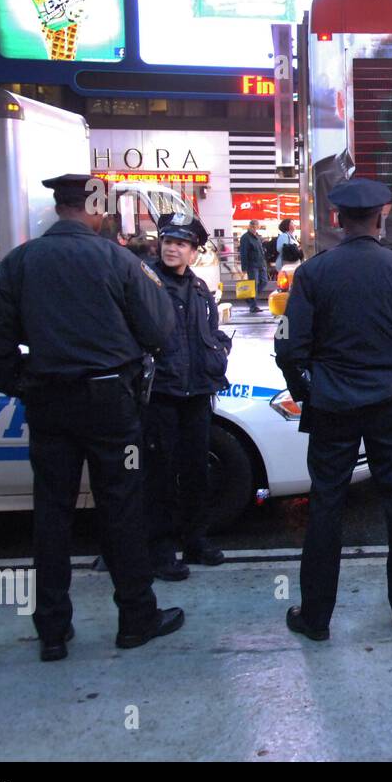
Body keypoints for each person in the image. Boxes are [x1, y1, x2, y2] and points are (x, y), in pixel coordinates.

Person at [0, 173, 184, 662]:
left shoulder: (19, 262)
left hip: (48, 400)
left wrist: (19, 379)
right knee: (122, 507)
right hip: (112, 403)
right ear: (94, 208)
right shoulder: (118, 260)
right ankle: (135, 618)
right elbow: (159, 329)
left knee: (51, 512)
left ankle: (51, 629)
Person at [276, 178, 392, 640]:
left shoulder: (312, 273)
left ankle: (315, 617)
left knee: (326, 503)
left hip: (332, 404)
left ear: (337, 219)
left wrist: (310, 393)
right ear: (381, 217)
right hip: (389, 404)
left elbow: (290, 348)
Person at [144, 213, 232, 581]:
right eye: (168, 241)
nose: (171, 248)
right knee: (160, 477)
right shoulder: (145, 283)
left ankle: (196, 541)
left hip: (196, 393)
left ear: (194, 251)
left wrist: (220, 350)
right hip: (161, 395)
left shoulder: (197, 288)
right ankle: (162, 551)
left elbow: (210, 331)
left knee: (196, 472)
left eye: (181, 243)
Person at [239, 219, 268, 313]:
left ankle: (250, 298)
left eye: (256, 226)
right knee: (253, 285)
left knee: (264, 282)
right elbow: (243, 253)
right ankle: (253, 306)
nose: (255, 228)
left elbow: (260, 250)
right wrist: (244, 268)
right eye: (254, 226)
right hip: (252, 265)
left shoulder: (257, 237)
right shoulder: (245, 238)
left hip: (260, 264)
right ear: (250, 226)